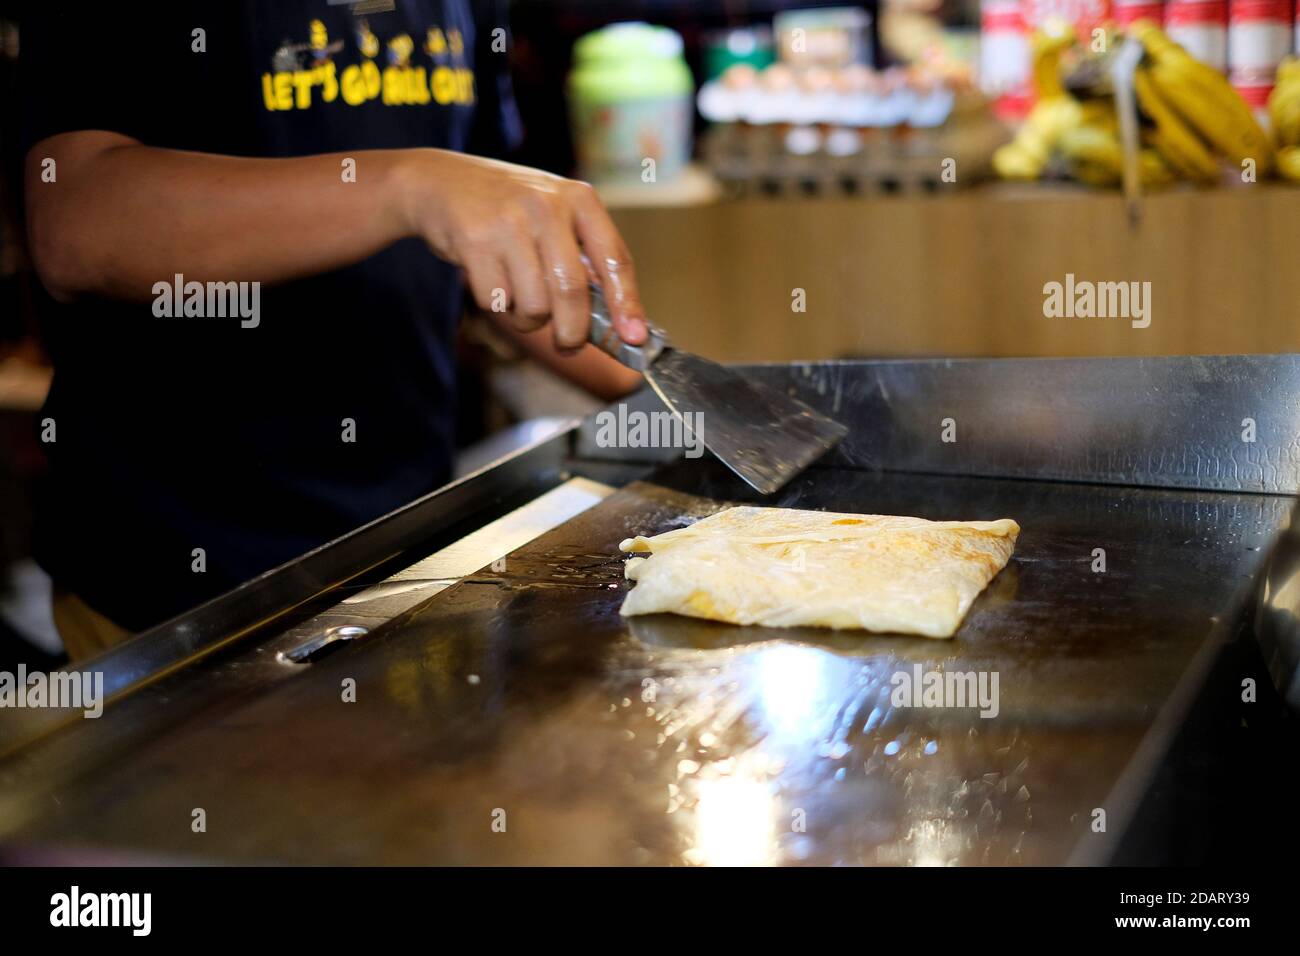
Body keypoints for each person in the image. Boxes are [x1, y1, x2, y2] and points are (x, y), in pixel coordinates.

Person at [19, 2, 647, 658]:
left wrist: (664, 387)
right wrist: (412, 185)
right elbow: (72, 225)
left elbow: (480, 240)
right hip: (178, 586)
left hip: (400, 553)